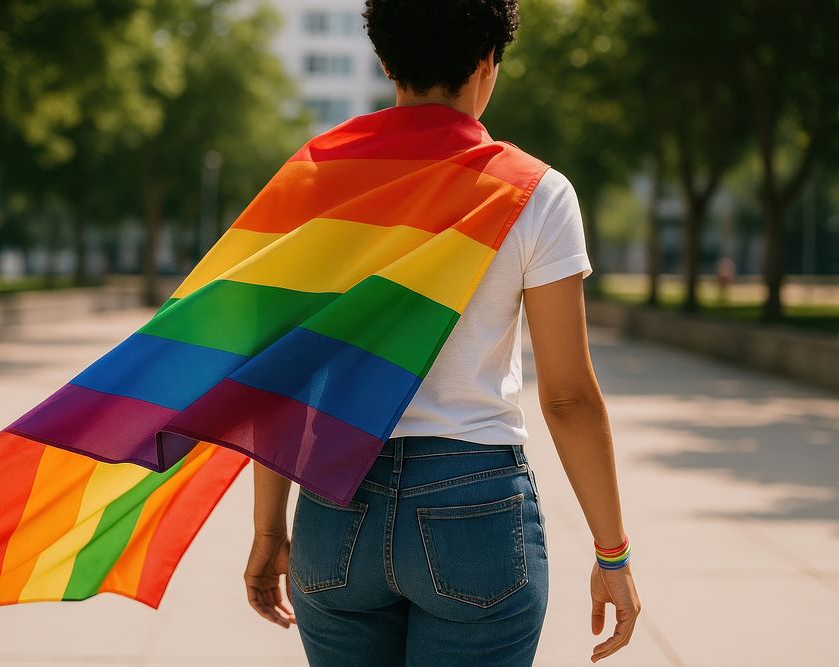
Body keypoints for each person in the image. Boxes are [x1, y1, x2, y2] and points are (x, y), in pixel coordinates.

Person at [243, 1, 641, 665]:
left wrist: (267, 529)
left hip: (337, 503)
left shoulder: (314, 181)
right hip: (476, 507)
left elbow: (278, 374)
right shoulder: (537, 193)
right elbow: (568, 397)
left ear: (385, 60)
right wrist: (612, 553)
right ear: (487, 61)